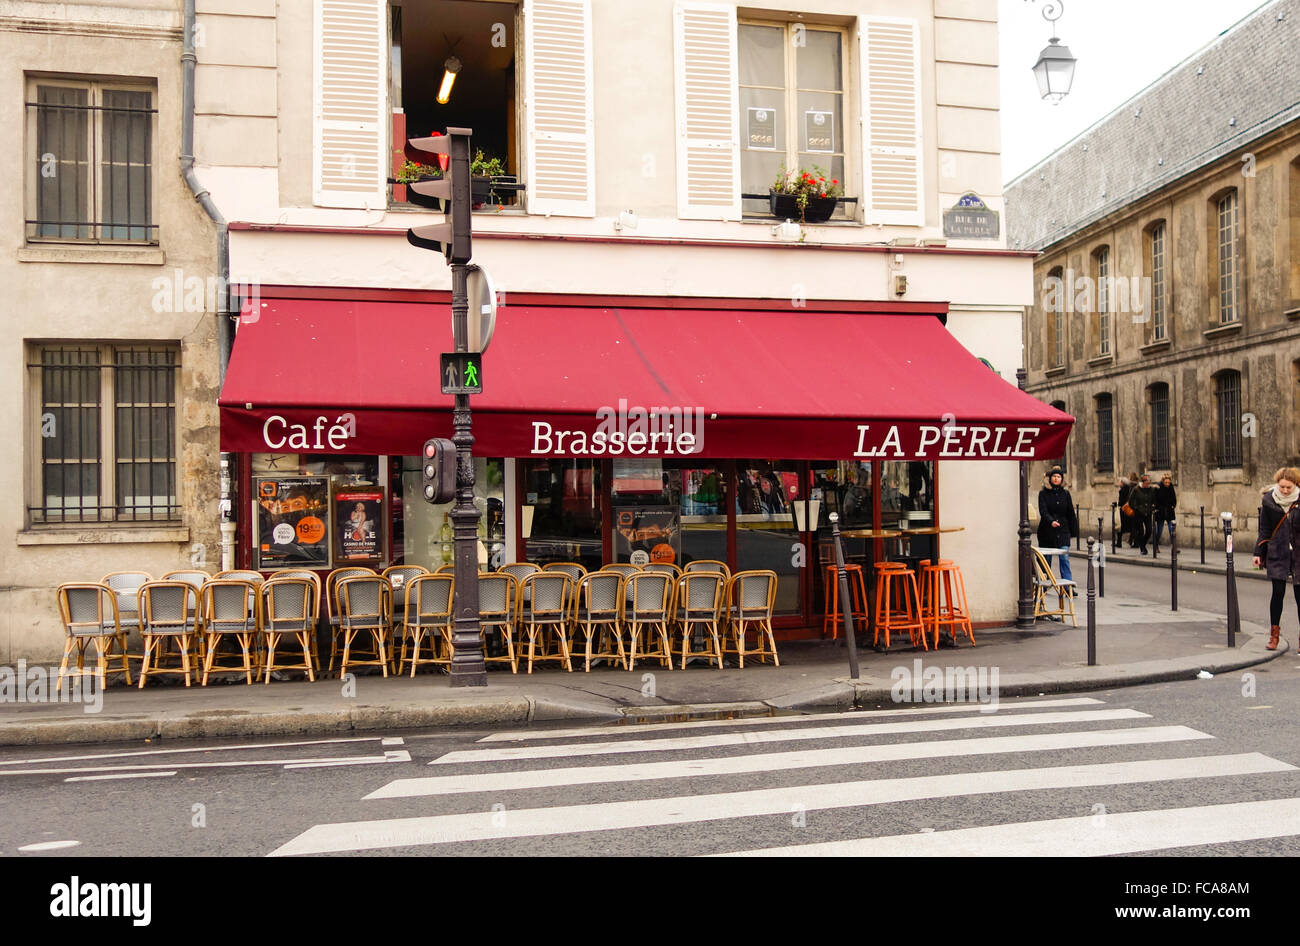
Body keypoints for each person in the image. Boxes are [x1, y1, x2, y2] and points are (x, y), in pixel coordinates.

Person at [1253, 467, 1300, 651]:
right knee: (1277, 594)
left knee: (1299, 597)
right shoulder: (1269, 501)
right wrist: (1258, 553)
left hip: (1298, 554)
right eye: (1282, 487)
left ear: (1296, 484)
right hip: (1278, 551)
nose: (1285, 491)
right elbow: (1264, 528)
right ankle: (1274, 636)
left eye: (1289, 487)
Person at [1037, 466, 1079, 591]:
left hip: (1063, 530)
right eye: (1054, 476)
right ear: (1050, 478)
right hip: (1047, 531)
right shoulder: (1043, 493)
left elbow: (1070, 512)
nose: (1056, 479)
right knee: (1046, 560)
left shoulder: (1065, 494)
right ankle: (1044, 585)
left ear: (1062, 479)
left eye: (1059, 477)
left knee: (1064, 558)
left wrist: (1074, 530)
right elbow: (1043, 511)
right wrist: (1051, 521)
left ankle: (1067, 587)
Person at [1128, 474, 1156, 554]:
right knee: (1141, 531)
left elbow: (1154, 500)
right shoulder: (1136, 489)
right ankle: (1142, 548)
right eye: (1147, 483)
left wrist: (1153, 506)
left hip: (1148, 513)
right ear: (1143, 482)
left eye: (1149, 482)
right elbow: (1130, 502)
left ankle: (1142, 544)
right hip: (1139, 514)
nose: (1148, 484)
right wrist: (1137, 508)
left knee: (1149, 530)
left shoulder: (1151, 490)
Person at [1151, 474, 1177, 557]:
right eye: (1166, 482)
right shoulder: (1158, 487)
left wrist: (1173, 505)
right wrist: (1156, 507)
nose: (1167, 484)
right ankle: (1156, 545)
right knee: (1159, 530)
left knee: (1171, 530)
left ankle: (1174, 547)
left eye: (1168, 482)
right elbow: (1154, 499)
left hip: (1169, 511)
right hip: (1161, 512)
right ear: (1163, 481)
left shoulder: (1171, 487)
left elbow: (1174, 498)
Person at [1118, 472, 1138, 548]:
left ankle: (1121, 542)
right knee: (1134, 526)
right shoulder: (1133, 486)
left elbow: (1125, 500)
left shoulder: (1129, 488)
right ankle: (1133, 542)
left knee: (1123, 526)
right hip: (1131, 509)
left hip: (1127, 509)